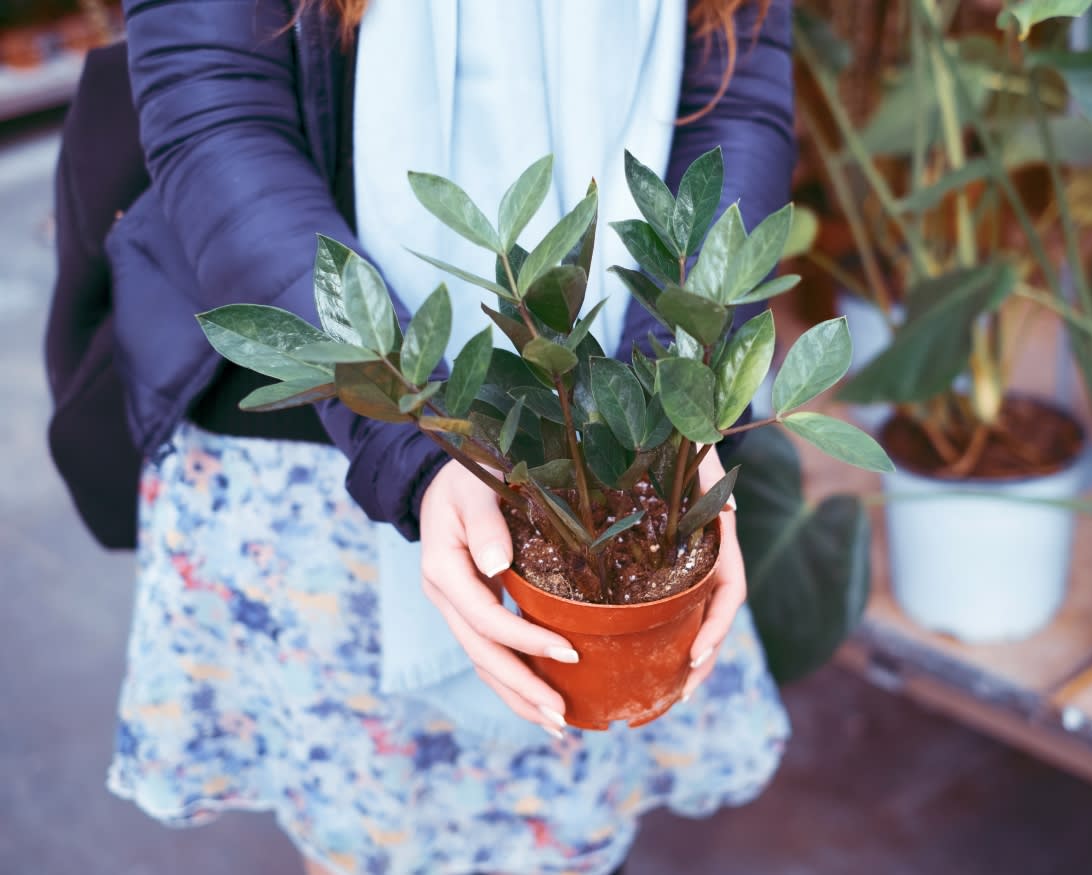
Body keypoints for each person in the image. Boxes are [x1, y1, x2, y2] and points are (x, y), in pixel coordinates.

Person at [105, 0, 796, 873]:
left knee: (572, 823)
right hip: (330, 425)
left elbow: (738, 98)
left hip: (604, 437)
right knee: (370, 841)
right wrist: (420, 446)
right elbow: (215, 117)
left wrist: (668, 416)